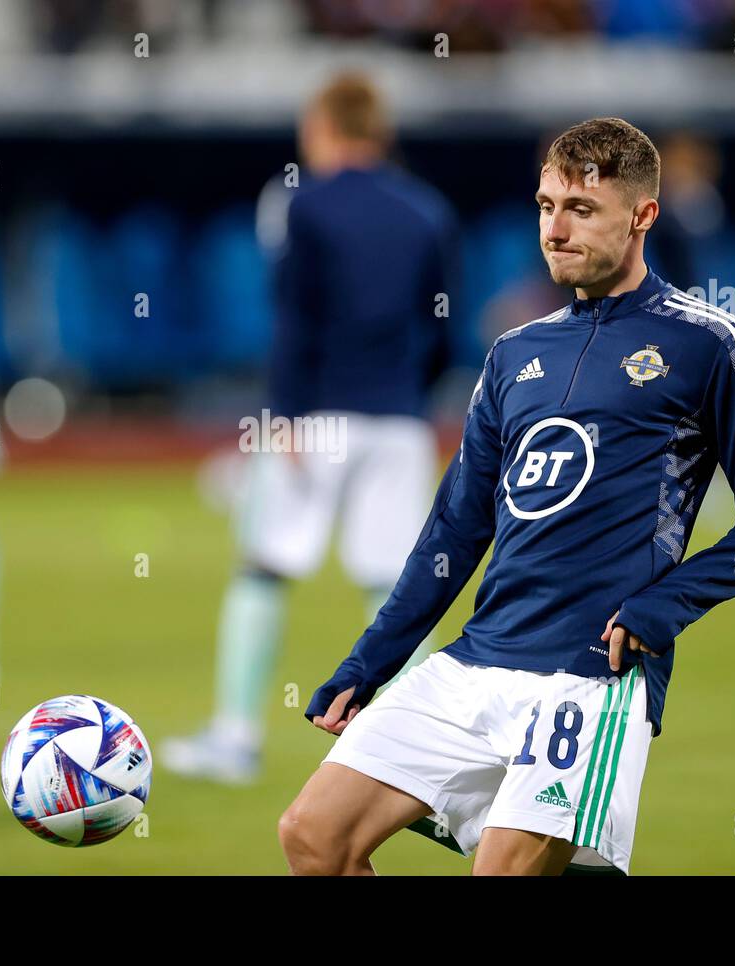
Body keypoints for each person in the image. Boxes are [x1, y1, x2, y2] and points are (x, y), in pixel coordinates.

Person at [279, 116, 735, 875]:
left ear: (644, 215)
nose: (555, 229)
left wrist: (668, 604)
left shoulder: (709, 342)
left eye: (581, 209)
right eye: (546, 205)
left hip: (591, 676)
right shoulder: (514, 352)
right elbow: (455, 531)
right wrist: (372, 658)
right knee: (313, 836)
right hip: (475, 662)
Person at [161, 72, 459, 784]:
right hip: (399, 420)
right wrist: (411, 399)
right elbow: (444, 324)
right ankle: (427, 754)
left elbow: (293, 318)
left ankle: (235, 739)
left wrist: (284, 413)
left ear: (322, 128)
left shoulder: (302, 204)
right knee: (396, 588)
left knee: (263, 568)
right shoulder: (427, 211)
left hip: (318, 414)